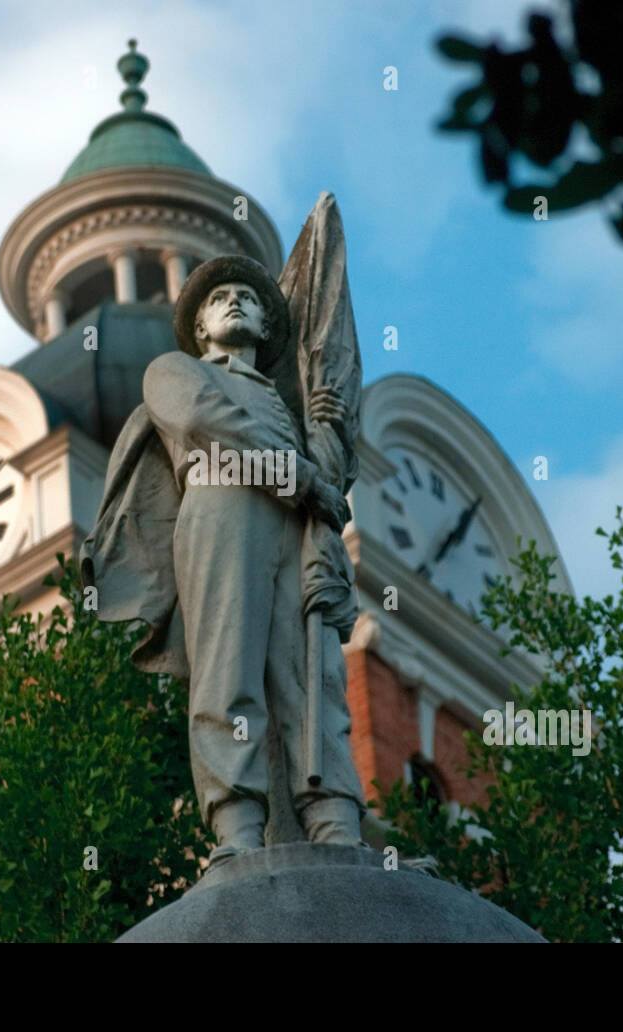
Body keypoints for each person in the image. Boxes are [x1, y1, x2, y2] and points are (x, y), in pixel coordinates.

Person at [81, 254, 367, 865]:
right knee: (227, 667)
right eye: (218, 298)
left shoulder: (290, 409)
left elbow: (322, 477)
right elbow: (210, 424)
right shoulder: (174, 371)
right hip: (221, 506)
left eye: (248, 296)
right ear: (200, 328)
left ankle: (333, 819)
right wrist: (301, 476)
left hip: (294, 526)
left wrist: (325, 439)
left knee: (313, 675)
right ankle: (237, 828)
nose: (234, 301)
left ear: (267, 328)